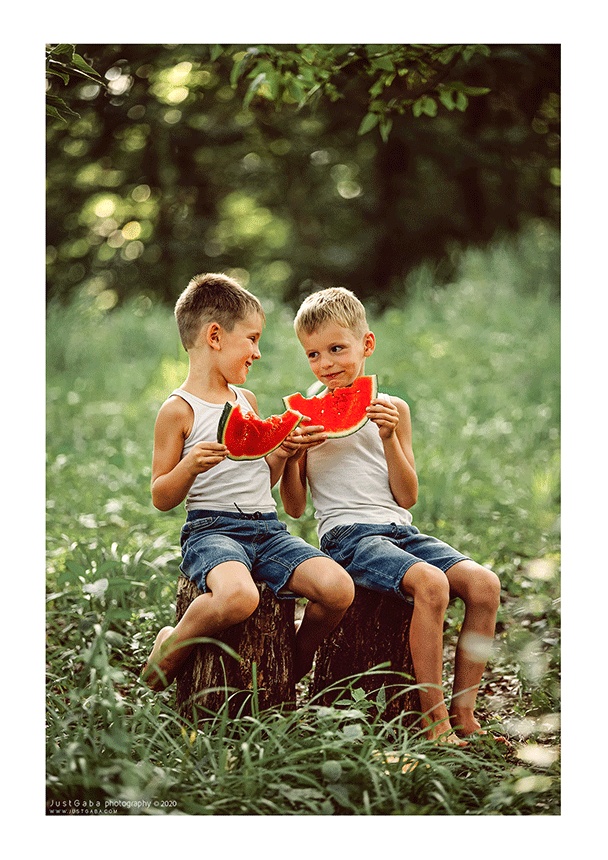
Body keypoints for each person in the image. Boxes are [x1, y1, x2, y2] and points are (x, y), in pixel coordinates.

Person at [280, 287, 501, 744]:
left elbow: (407, 495)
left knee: (485, 586)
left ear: (367, 344)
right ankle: (433, 720)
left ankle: (464, 713)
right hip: (347, 537)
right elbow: (297, 507)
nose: (326, 364)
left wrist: (388, 437)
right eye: (313, 354)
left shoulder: (393, 409)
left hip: (399, 529)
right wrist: (293, 456)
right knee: (432, 584)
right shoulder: (306, 416)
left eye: (337, 349)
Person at [142, 273, 354, 690]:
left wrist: (283, 450)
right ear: (215, 336)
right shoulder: (178, 410)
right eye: (252, 339)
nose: (257, 352)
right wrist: (189, 467)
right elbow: (160, 496)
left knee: (338, 588)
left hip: (268, 530)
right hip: (212, 531)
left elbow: (263, 476)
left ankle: (296, 658)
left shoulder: (247, 401)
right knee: (239, 597)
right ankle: (171, 645)